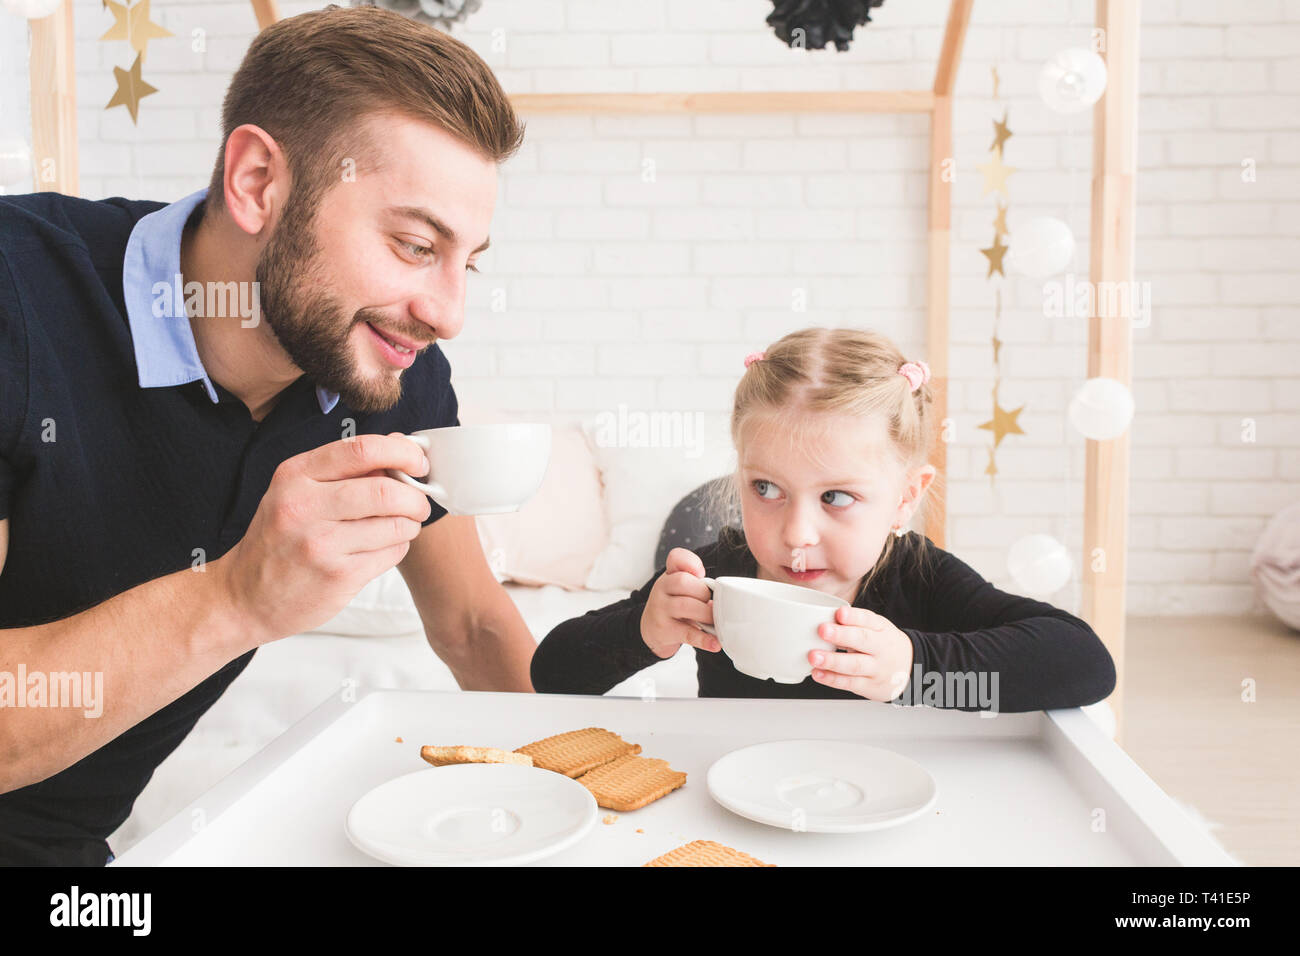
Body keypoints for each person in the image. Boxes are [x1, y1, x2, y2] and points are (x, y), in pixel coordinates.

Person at [0, 5, 536, 865]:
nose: (448, 313)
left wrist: (569, 791)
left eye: (466, 262)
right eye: (411, 244)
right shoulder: (17, 293)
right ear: (257, 182)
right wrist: (235, 599)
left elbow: (472, 625)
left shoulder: (387, 368)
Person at [531, 327, 1117, 712]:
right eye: (767, 489)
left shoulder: (920, 577)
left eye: (836, 497)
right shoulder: (718, 576)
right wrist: (646, 631)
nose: (796, 534)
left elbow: (1084, 663)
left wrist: (914, 671)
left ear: (905, 498)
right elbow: (550, 673)